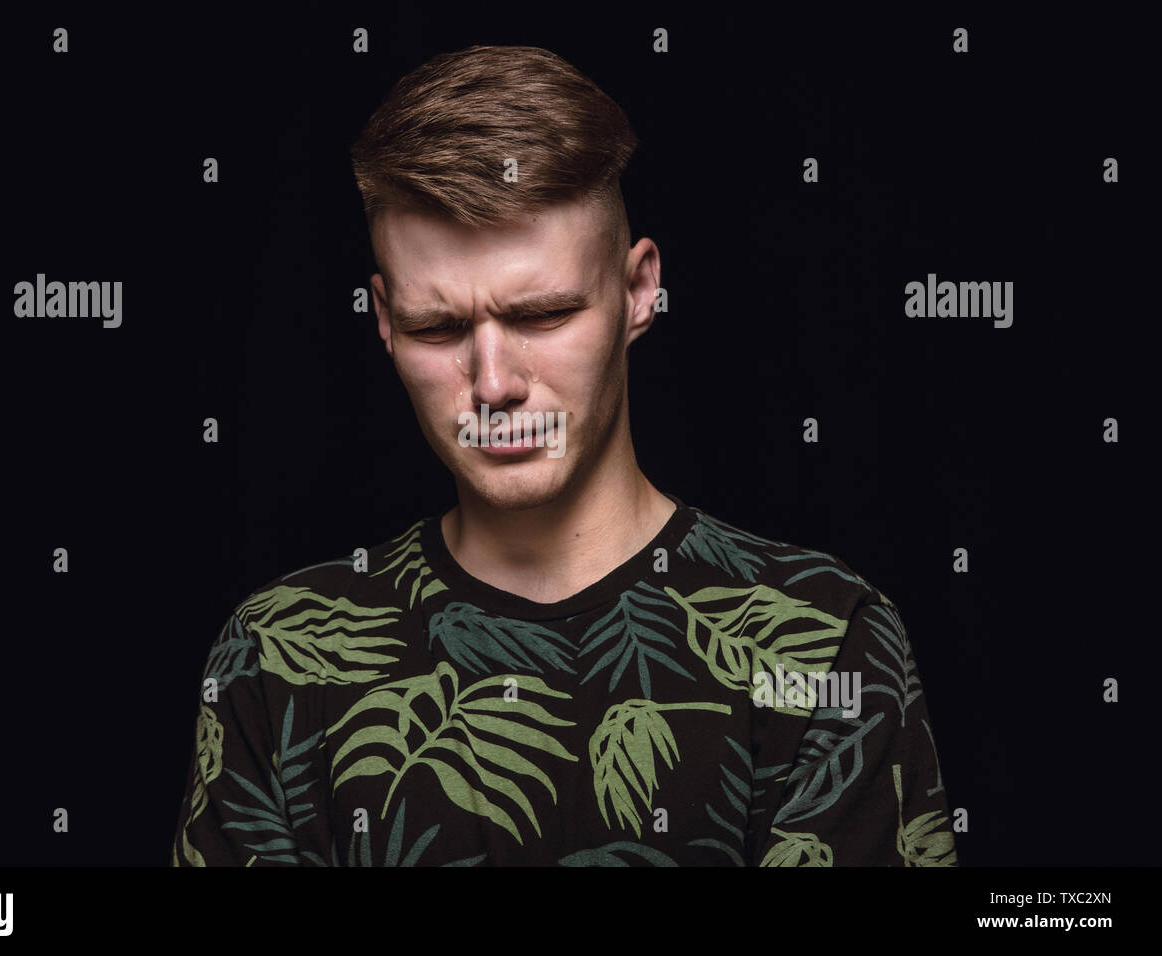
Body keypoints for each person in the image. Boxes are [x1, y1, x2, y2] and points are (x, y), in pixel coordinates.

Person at [171, 44, 956, 867]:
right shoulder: (278, 655)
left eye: (542, 315)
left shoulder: (825, 640)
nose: (494, 384)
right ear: (382, 323)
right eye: (437, 329)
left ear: (639, 292)